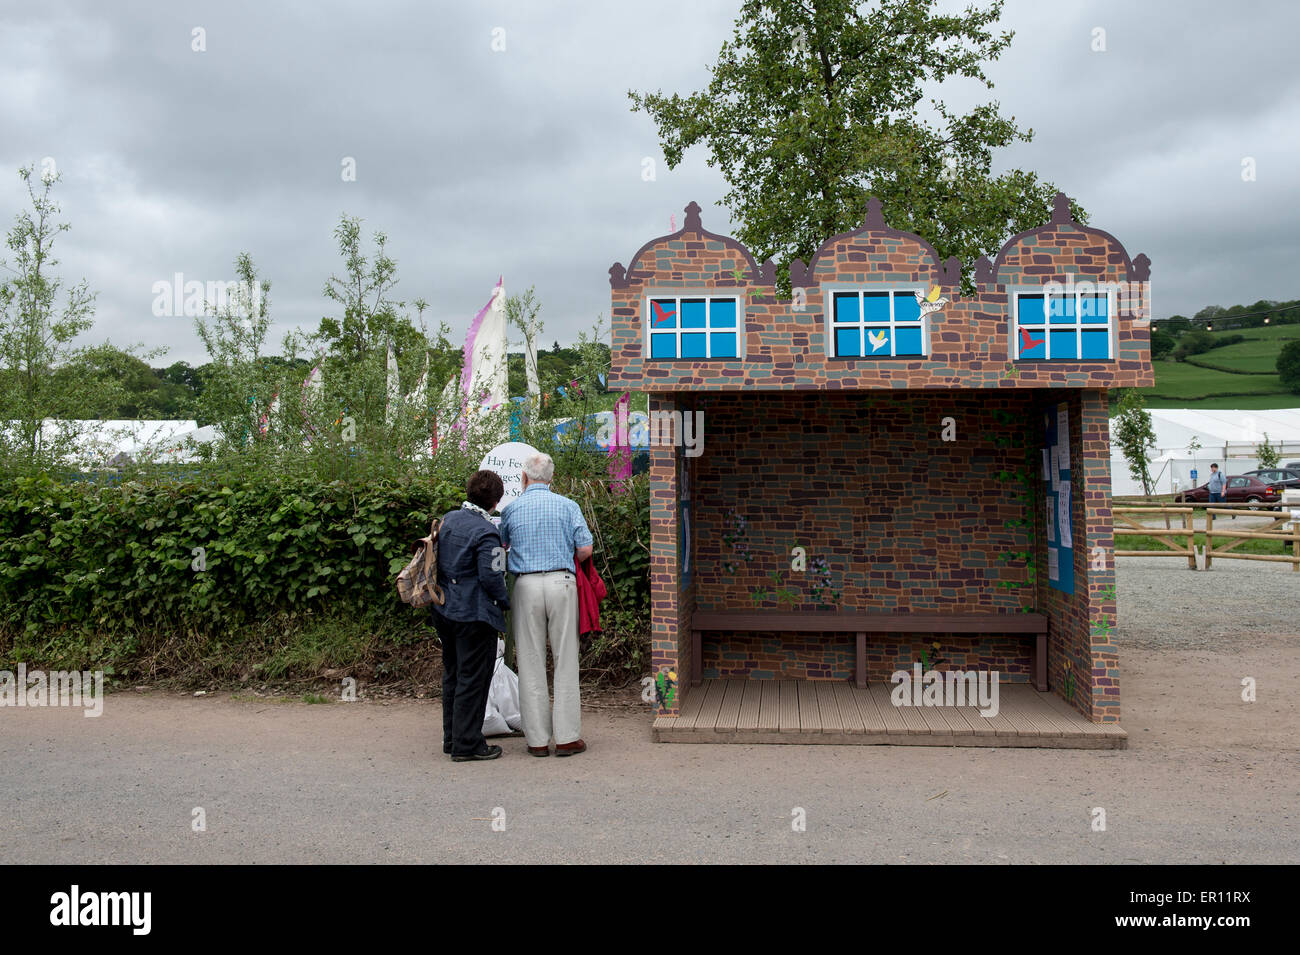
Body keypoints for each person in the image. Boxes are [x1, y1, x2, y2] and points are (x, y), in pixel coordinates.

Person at [498, 452, 593, 757]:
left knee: (530, 660)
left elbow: (502, 548)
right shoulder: (568, 506)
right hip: (561, 583)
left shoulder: (512, 510)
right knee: (565, 658)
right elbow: (585, 549)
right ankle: (567, 737)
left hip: (525, 584)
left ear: (524, 478)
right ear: (552, 478)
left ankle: (537, 739)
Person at [431, 470, 511, 762]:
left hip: (444, 609)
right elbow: (492, 576)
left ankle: (451, 738)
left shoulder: (450, 519)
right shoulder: (488, 533)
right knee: (473, 678)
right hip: (473, 614)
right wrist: (505, 601)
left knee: (452, 674)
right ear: (496, 501)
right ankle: (468, 744)